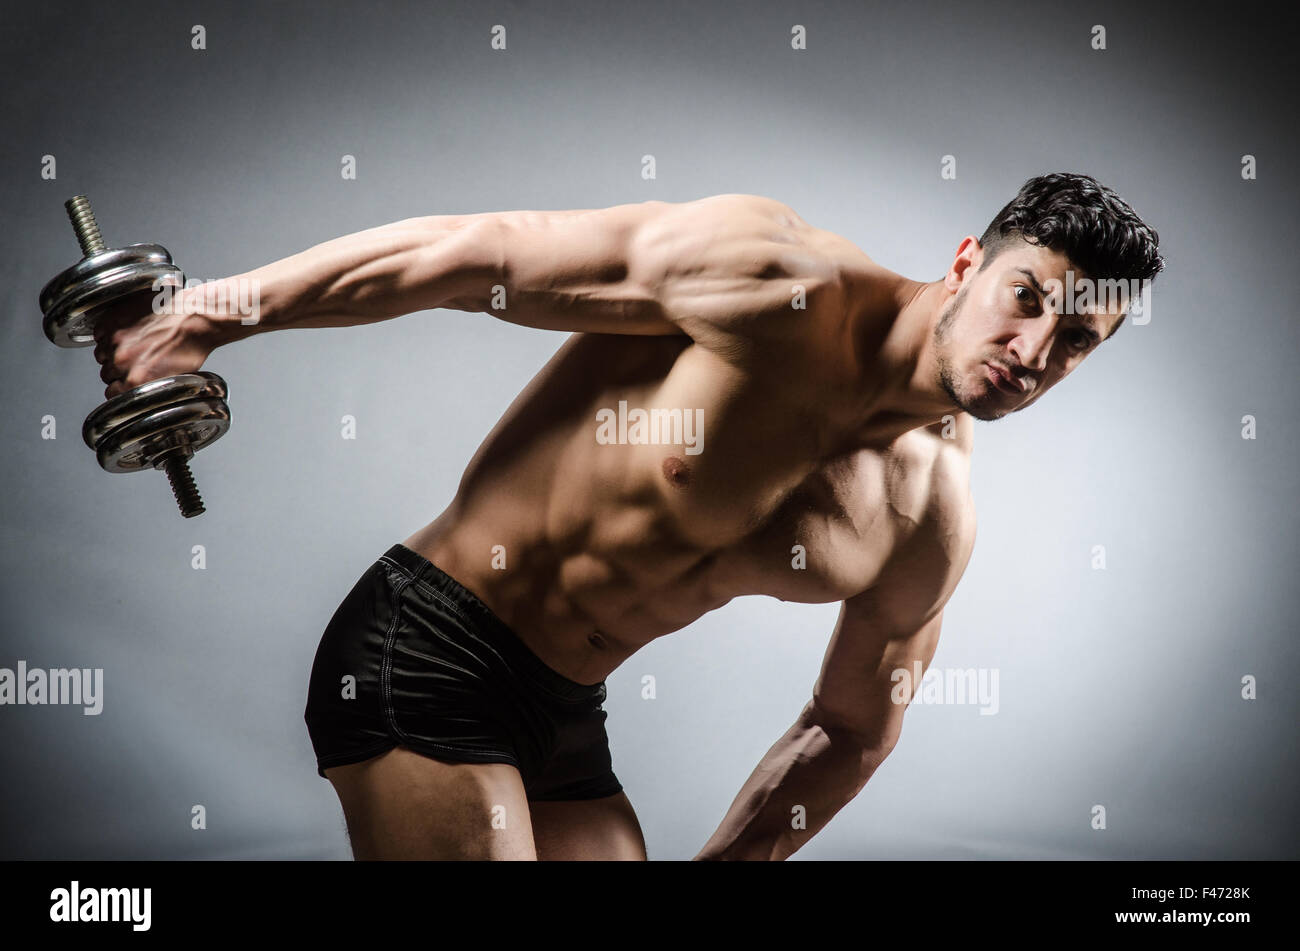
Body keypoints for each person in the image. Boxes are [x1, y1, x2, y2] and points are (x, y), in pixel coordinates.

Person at [92, 172, 1163, 860]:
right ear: (969, 264)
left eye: (1075, 342)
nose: (1033, 355)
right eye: (1029, 298)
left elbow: (847, 729)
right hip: (429, 643)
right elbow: (482, 256)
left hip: (565, 711)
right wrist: (212, 312)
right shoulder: (776, 281)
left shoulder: (930, 514)